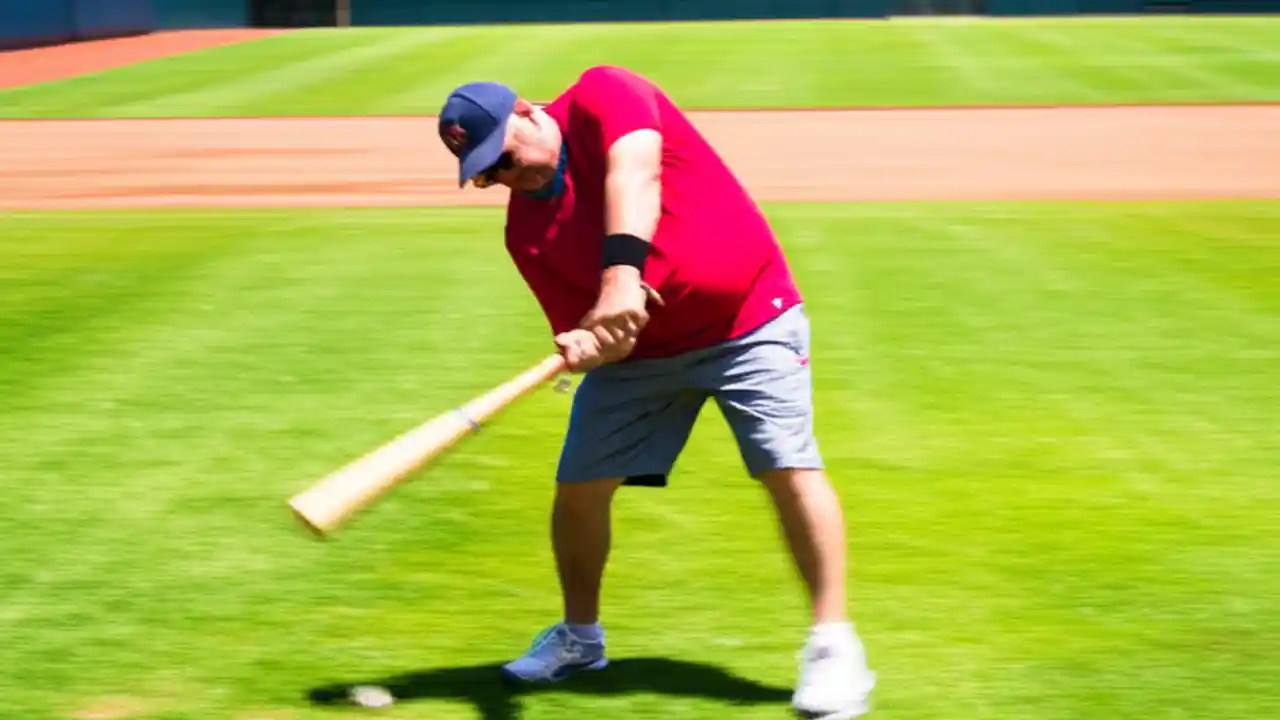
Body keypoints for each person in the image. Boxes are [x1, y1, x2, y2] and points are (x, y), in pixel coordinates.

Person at [436, 66, 876, 719]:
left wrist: (620, 277)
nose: (504, 176)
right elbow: (595, 335)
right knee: (579, 489)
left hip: (751, 322)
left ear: (526, 113)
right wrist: (586, 344)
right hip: (643, 361)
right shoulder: (524, 232)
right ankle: (580, 639)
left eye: (503, 157)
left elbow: (634, 173)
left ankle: (834, 645)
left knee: (786, 464)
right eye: (486, 175)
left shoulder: (602, 94)